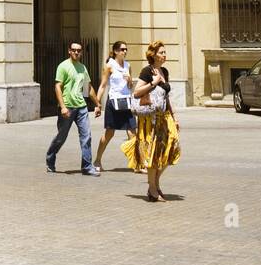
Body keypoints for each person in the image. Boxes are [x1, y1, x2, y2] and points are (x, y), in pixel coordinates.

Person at [122, 40, 180, 201]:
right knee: (153, 153)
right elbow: (137, 92)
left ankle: (154, 183)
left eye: (165, 52)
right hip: (149, 119)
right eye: (161, 52)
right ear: (153, 55)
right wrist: (153, 83)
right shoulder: (147, 71)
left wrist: (174, 116)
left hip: (164, 116)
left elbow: (166, 96)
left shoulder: (165, 71)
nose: (164, 55)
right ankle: (153, 189)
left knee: (172, 147)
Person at [45, 40, 101, 176]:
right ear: (69, 51)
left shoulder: (82, 68)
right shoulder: (63, 66)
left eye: (79, 50)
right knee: (61, 137)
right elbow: (58, 86)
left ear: (81, 52)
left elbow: (88, 87)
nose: (76, 52)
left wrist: (97, 104)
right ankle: (50, 159)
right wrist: (63, 107)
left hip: (81, 107)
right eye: (74, 50)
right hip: (67, 108)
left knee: (86, 136)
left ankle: (87, 167)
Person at [94, 40, 136, 169]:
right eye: (122, 49)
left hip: (127, 102)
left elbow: (130, 86)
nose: (125, 51)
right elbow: (103, 85)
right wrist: (97, 103)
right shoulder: (109, 65)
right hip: (113, 102)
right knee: (109, 133)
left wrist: (130, 81)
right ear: (116, 51)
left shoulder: (128, 65)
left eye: (126, 49)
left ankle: (137, 163)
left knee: (132, 133)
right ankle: (97, 160)